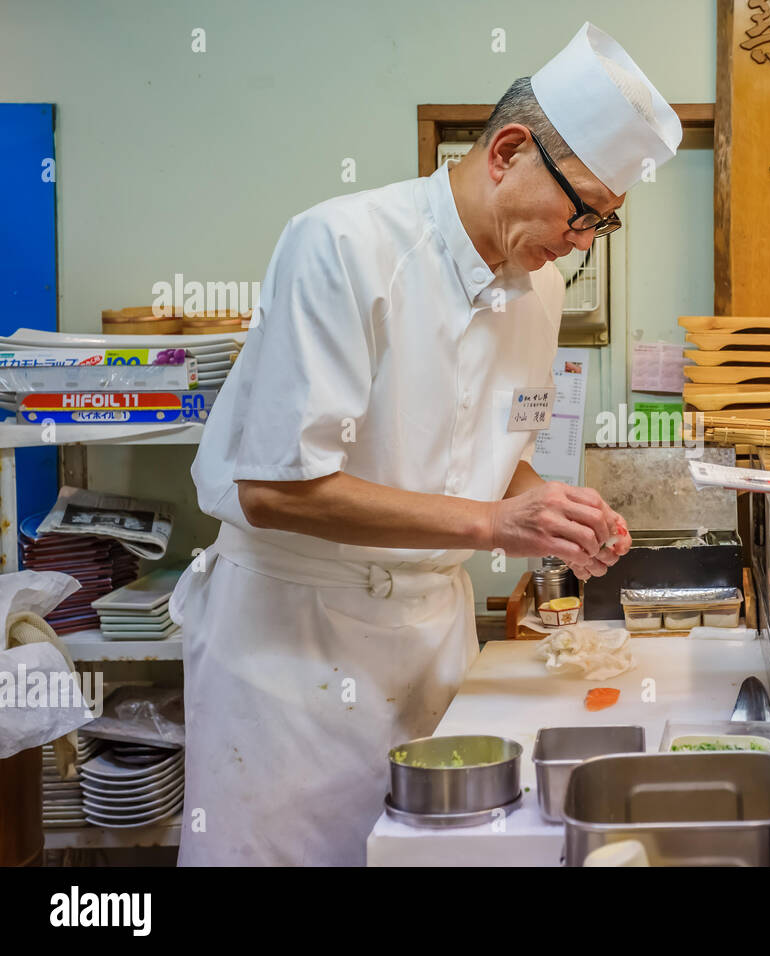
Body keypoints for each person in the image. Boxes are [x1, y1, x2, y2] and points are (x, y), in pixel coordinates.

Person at [169, 22, 682, 865]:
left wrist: (545, 510)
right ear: (508, 150)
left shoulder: (541, 286)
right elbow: (275, 488)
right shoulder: (342, 246)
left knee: (435, 853)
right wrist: (491, 526)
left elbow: (496, 447)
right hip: (294, 652)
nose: (583, 239)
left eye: (606, 223)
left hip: (435, 644)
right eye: (581, 210)